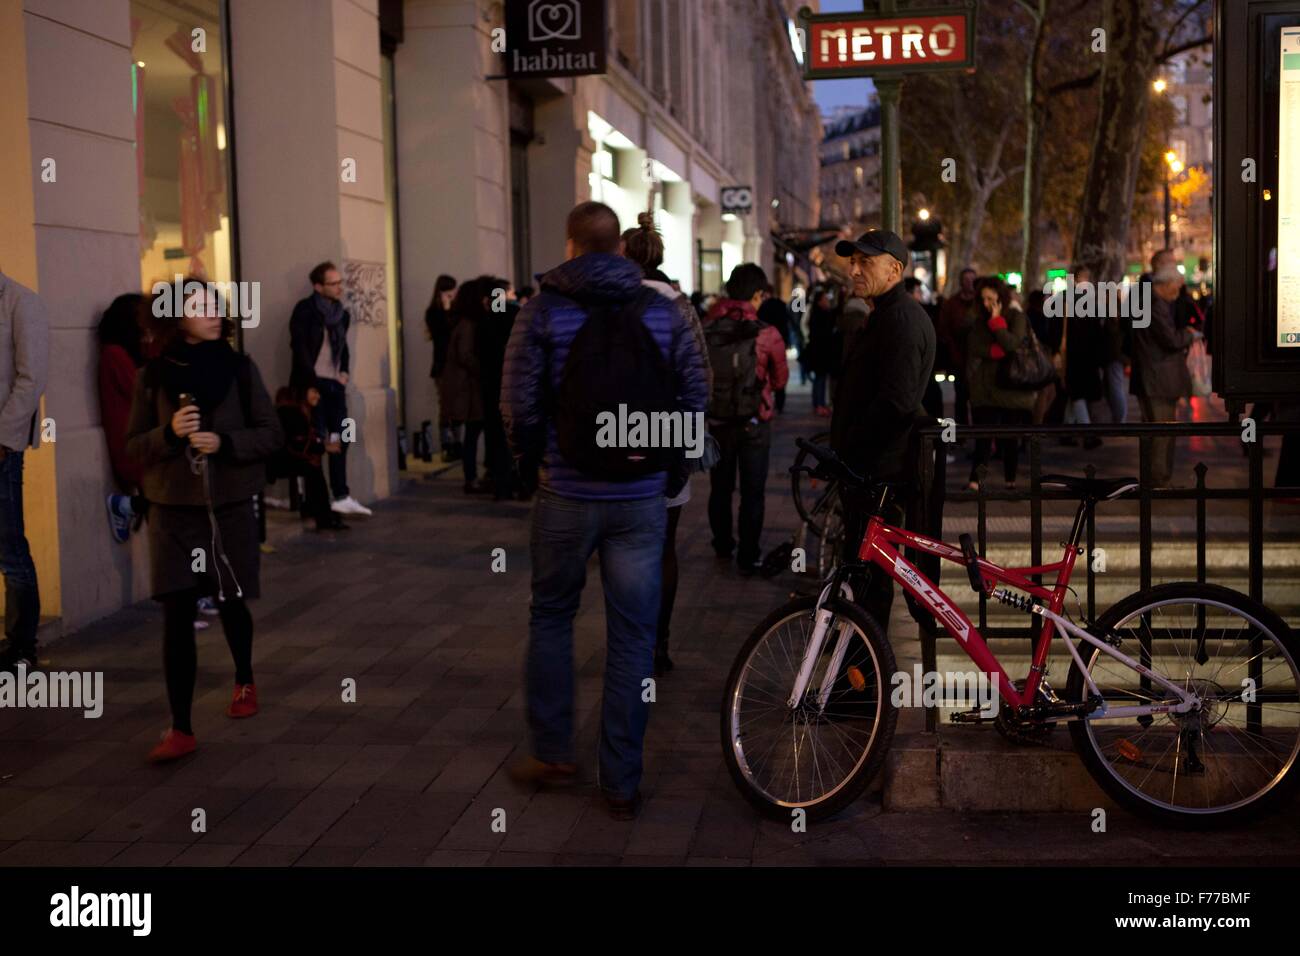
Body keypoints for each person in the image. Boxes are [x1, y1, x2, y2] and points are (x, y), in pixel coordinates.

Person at [501, 200, 708, 819]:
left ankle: (554, 753)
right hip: (640, 500)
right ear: (619, 248)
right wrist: (668, 469)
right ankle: (620, 780)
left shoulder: (542, 310)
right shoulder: (665, 309)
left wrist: (534, 464)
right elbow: (697, 397)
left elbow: (518, 403)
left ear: (570, 246)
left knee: (552, 617)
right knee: (634, 639)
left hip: (563, 494)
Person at [126, 281, 283, 761]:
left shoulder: (239, 369)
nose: (214, 312)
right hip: (171, 511)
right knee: (176, 613)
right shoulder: (152, 377)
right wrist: (169, 434)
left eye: (215, 304)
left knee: (231, 601)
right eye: (200, 306)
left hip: (228, 507)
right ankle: (181, 727)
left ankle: (244, 678)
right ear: (175, 318)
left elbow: (271, 433)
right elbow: (133, 447)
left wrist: (225, 443)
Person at [829, 230, 935, 635]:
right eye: (852, 261)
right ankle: (859, 680)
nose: (854, 270)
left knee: (869, 587)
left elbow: (896, 402)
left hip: (878, 474)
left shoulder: (901, 320)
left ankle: (863, 688)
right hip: (869, 471)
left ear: (895, 269)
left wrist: (852, 447)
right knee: (863, 581)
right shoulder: (887, 315)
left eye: (865, 263)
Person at [622, 212, 713, 674]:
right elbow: (700, 377)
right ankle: (659, 645)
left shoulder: (612, 301)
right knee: (665, 545)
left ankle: (630, 643)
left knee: (623, 544)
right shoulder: (680, 306)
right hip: (670, 431)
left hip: (617, 432)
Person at [704, 263, 789, 575]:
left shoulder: (707, 328)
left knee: (720, 487)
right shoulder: (767, 334)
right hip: (755, 423)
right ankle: (749, 553)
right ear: (757, 295)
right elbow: (780, 380)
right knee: (753, 491)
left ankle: (723, 545)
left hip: (718, 422)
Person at [289, 262, 370, 517]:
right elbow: (299, 347)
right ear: (318, 286)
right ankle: (315, 500)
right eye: (333, 283)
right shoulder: (305, 310)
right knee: (317, 441)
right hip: (314, 385)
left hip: (335, 385)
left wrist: (344, 372)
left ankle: (341, 495)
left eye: (339, 282)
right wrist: (310, 384)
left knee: (340, 437)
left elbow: (342, 345)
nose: (339, 287)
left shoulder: (341, 313)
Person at [0, 268, 49, 674]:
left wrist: (4, 440)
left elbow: (30, 378)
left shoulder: (20, 301)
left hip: (2, 446)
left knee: (10, 546)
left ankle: (21, 646)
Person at [966, 276, 1038, 489]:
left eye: (991, 298)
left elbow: (1013, 344)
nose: (987, 303)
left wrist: (997, 324)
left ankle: (1010, 479)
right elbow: (974, 346)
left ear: (1000, 297)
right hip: (985, 389)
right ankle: (974, 480)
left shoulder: (1016, 317)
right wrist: (997, 350)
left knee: (1010, 438)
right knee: (983, 438)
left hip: (1010, 387)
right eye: (983, 299)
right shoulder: (979, 319)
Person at [1131, 266, 1197, 487]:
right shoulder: (1154, 305)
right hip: (1158, 379)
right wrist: (1188, 334)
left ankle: (1157, 479)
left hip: (1153, 378)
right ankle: (1157, 481)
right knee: (1162, 432)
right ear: (1165, 284)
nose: (1178, 291)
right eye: (1176, 286)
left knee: (1158, 431)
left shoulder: (1149, 302)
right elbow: (1170, 340)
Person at [99, 293, 150, 543]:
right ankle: (127, 505)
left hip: (142, 442)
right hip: (131, 447)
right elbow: (142, 392)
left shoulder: (129, 353)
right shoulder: (114, 355)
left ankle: (131, 505)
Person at [268, 385, 345, 532]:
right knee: (313, 467)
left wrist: (322, 446)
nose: (318, 396)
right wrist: (324, 447)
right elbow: (298, 443)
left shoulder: (302, 410)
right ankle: (323, 517)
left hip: (286, 456)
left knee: (313, 464)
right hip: (278, 460)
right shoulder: (291, 411)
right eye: (314, 392)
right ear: (304, 392)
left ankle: (315, 510)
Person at [442, 279, 489, 494]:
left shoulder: (461, 322)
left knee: (472, 434)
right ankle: (471, 478)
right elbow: (466, 356)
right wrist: (486, 369)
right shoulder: (468, 325)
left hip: (467, 389)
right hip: (469, 391)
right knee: (472, 434)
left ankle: (473, 477)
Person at [474, 275, 517, 500]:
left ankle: (501, 485)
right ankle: (520, 484)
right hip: (512, 385)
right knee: (513, 436)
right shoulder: (512, 317)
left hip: (492, 386)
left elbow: (479, 353)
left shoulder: (486, 321)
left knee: (496, 436)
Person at [938, 267, 978, 427]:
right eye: (966, 280)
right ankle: (962, 432)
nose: (969, 283)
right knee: (960, 397)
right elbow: (943, 329)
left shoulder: (980, 303)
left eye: (972, 280)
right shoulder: (951, 304)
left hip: (976, 359)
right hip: (957, 359)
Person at [424, 274, 458, 461]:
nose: (454, 293)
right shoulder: (434, 313)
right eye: (451, 290)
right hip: (442, 367)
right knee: (445, 407)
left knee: (457, 408)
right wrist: (446, 310)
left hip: (456, 367)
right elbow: (442, 336)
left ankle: (456, 444)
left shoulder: (456, 311)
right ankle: (447, 446)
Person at [804, 284, 841, 416]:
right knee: (820, 379)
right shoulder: (821, 315)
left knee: (820, 379)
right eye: (825, 299)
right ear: (820, 302)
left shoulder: (818, 314)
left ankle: (818, 404)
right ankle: (819, 404)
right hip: (820, 353)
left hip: (819, 353)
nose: (827, 301)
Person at [756, 285, 791, 413]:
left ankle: (767, 402)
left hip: (765, 343)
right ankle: (780, 403)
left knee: (765, 373)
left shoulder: (763, 306)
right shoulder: (781, 305)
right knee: (779, 370)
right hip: (779, 341)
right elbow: (786, 324)